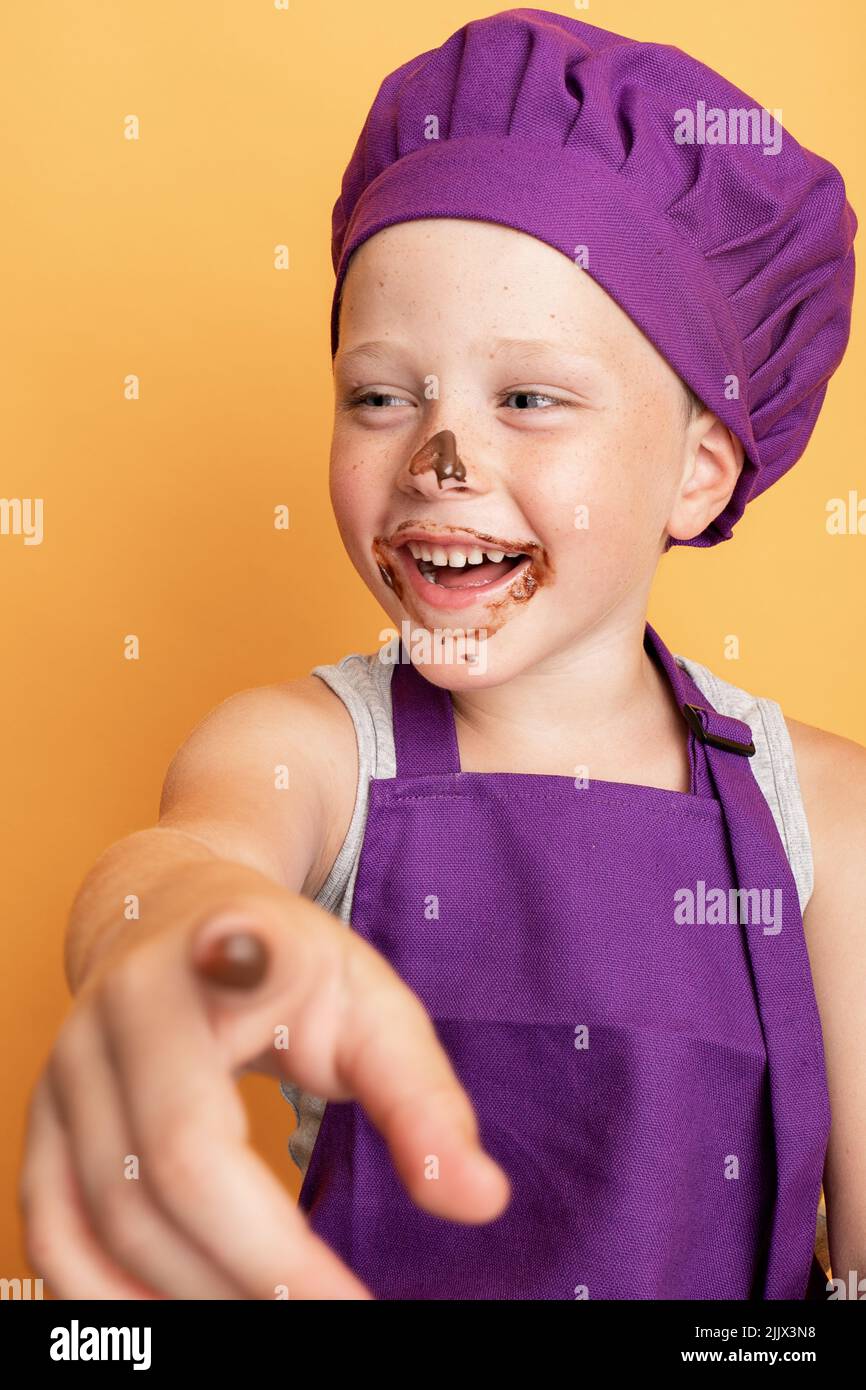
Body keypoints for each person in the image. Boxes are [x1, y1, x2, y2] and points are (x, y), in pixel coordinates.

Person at [20, 8, 863, 1299]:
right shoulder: (307, 750)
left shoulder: (824, 817)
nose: (438, 456)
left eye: (526, 397)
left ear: (695, 474)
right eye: (380, 394)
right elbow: (175, 867)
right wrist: (199, 944)